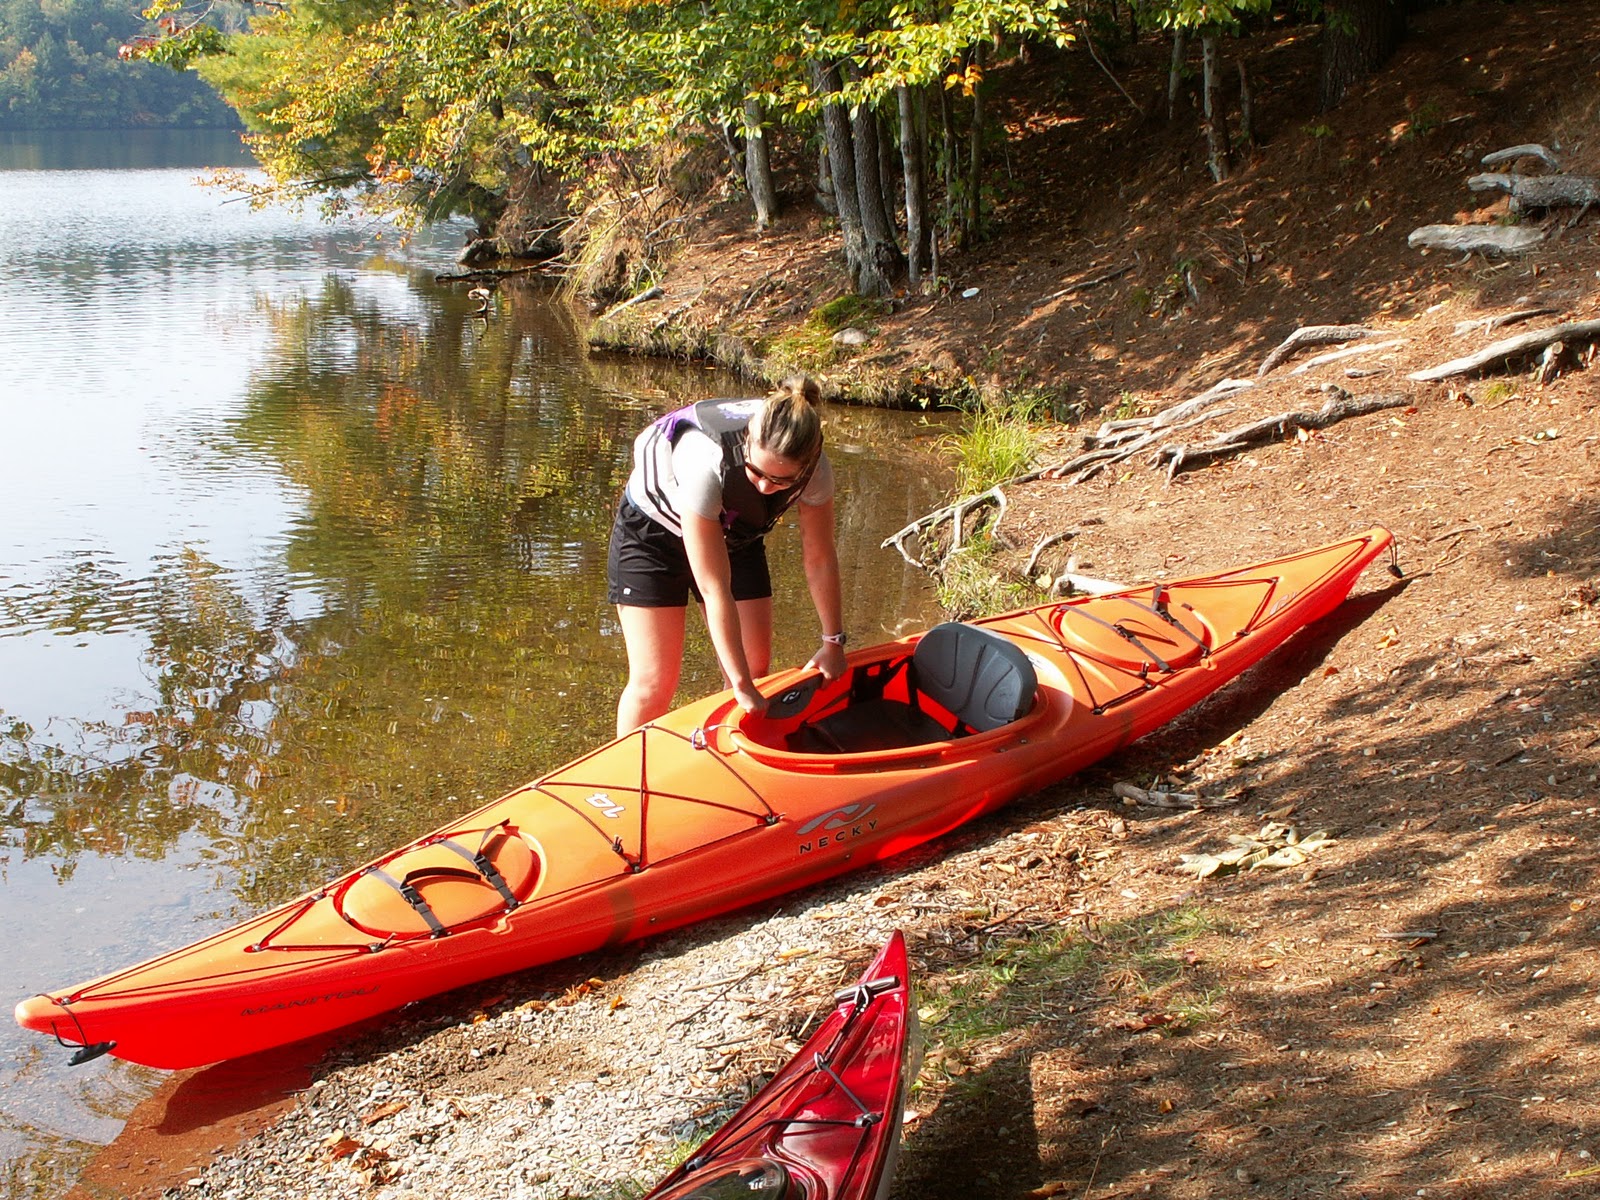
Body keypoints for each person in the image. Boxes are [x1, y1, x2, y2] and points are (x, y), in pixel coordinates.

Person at [607, 375, 847, 736]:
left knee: (754, 668)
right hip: (653, 536)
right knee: (655, 682)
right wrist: (740, 684)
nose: (765, 487)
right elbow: (714, 586)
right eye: (757, 472)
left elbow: (820, 559)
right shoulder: (706, 462)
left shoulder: (817, 472)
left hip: (736, 532)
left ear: (808, 463)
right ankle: (625, 778)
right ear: (747, 442)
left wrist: (833, 643)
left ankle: (723, 761)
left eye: (781, 482)